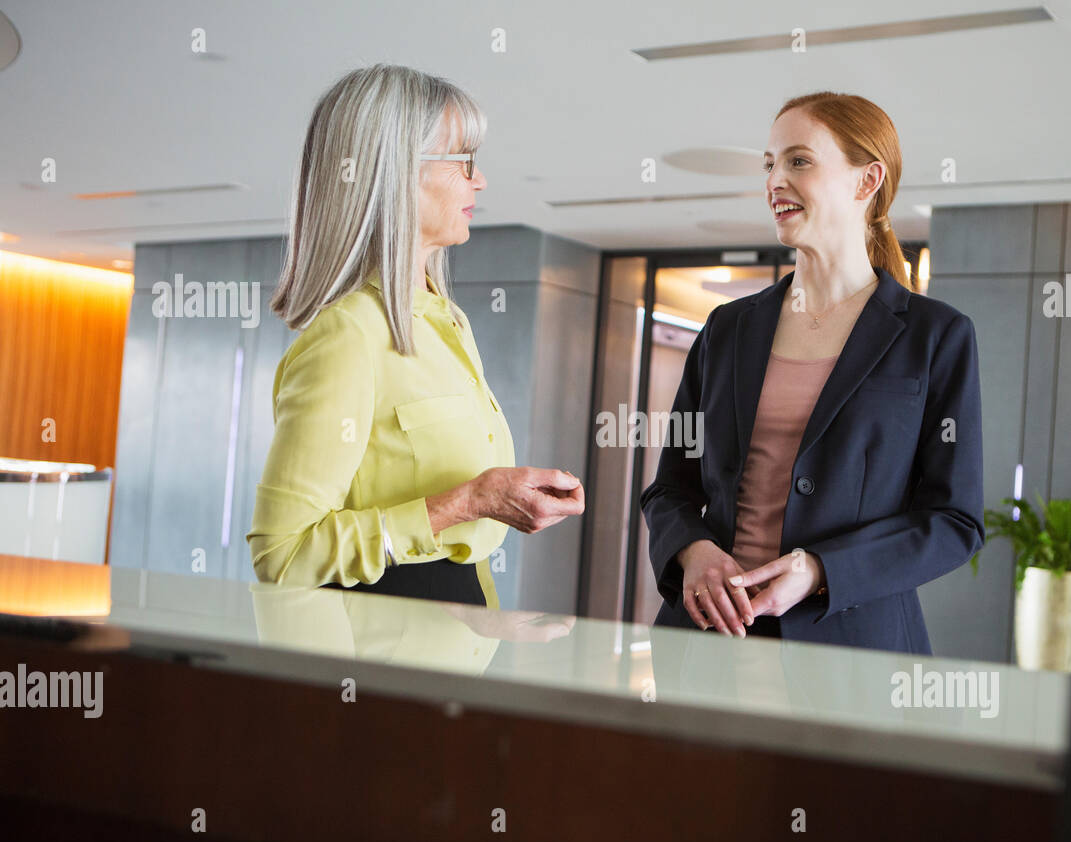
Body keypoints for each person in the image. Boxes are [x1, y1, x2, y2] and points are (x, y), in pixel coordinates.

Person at [640, 92, 984, 653]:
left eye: (799, 161)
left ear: (866, 181)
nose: (775, 179)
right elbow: (668, 490)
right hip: (708, 642)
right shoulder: (728, 329)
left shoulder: (936, 335)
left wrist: (822, 569)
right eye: (770, 164)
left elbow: (954, 521)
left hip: (854, 654)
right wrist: (690, 550)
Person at [247, 65, 583, 607]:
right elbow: (282, 556)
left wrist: (488, 626)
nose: (481, 180)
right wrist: (468, 501)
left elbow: (454, 551)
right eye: (464, 162)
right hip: (378, 664)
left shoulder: (446, 321)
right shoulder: (348, 334)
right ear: (396, 172)